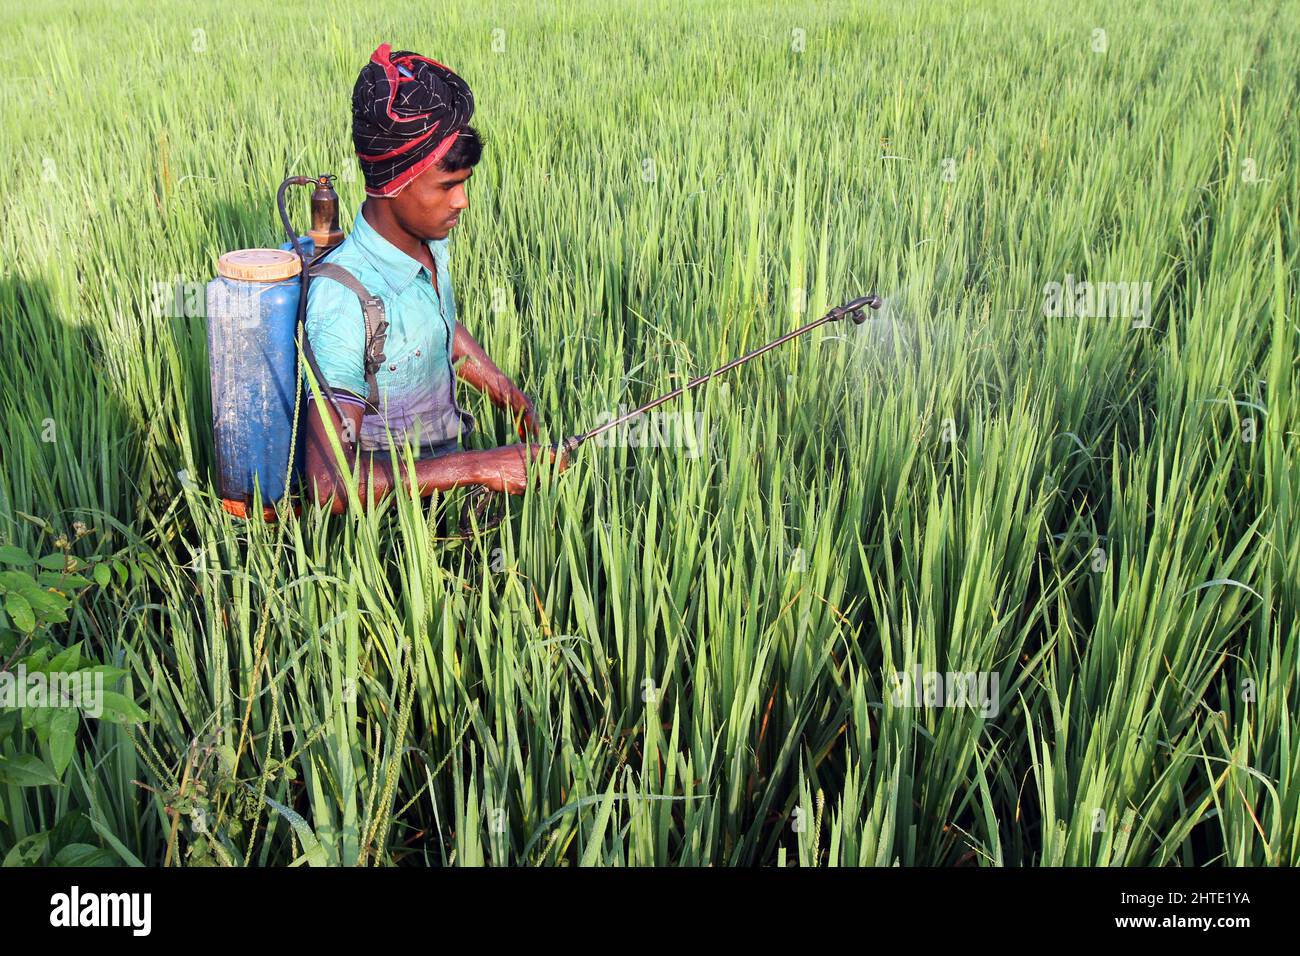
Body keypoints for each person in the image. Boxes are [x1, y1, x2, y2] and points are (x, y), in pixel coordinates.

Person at [302, 43, 564, 514]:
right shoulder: (343, 299)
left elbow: (436, 331)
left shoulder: (428, 242)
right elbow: (327, 484)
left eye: (464, 183)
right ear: (394, 183)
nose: (462, 201)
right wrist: (477, 466)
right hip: (389, 535)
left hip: (445, 484)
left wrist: (510, 395)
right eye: (447, 186)